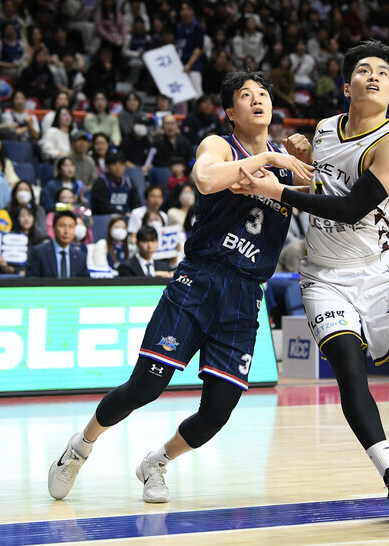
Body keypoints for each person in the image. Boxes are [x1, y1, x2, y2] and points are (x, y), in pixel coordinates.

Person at [47, 69, 311, 505]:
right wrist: (269, 160)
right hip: (200, 278)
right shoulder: (220, 145)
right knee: (146, 387)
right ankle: (81, 445)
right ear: (231, 111)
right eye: (247, 96)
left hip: (245, 294)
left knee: (217, 412)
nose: (258, 100)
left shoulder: (287, 157)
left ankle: (157, 462)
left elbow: (323, 190)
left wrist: (306, 157)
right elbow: (206, 180)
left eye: (264, 93)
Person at [233, 41, 389, 511]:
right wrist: (300, 162)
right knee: (351, 374)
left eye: (383, 74)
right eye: (363, 70)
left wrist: (282, 191)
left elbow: (352, 208)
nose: (373, 76)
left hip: (377, 277)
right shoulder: (327, 128)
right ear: (346, 84)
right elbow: (324, 183)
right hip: (324, 278)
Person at [27, 210, 89, 278]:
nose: (66, 231)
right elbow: (31, 281)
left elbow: (85, 283)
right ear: (54, 228)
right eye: (62, 226)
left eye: (71, 226)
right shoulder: (38, 253)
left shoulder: (80, 257)